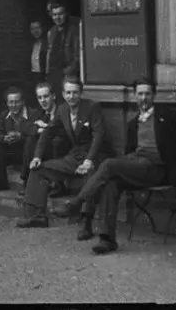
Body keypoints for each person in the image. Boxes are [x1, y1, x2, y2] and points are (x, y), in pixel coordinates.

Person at [51, 78, 176, 255]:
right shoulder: (133, 123)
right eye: (140, 94)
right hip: (138, 167)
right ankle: (107, 239)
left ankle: (76, 203)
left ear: (154, 95)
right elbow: (129, 151)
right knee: (111, 184)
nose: (144, 97)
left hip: (158, 169)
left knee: (109, 164)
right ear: (135, 96)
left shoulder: (168, 115)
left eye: (147, 93)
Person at [16, 76, 114, 242]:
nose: (71, 96)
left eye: (75, 92)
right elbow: (47, 133)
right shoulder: (62, 110)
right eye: (68, 93)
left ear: (80, 93)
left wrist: (89, 160)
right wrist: (37, 157)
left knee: (91, 175)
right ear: (63, 94)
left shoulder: (91, 107)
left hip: (95, 156)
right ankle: (36, 215)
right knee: (39, 170)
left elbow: (98, 135)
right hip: (74, 157)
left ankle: (85, 223)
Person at [23, 82, 69, 196]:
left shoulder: (62, 110)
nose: (43, 100)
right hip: (45, 147)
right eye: (40, 97)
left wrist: (45, 127)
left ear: (53, 96)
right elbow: (26, 127)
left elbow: (64, 131)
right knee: (31, 141)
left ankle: (58, 185)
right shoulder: (40, 112)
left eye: (46, 96)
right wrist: (39, 130)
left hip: (63, 147)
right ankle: (28, 182)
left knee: (56, 142)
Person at [0, 87, 33, 193]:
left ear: (23, 102)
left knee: (30, 145)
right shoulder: (4, 115)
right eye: (11, 102)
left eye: (17, 102)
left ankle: (28, 185)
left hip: (27, 152)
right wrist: (4, 138)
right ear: (7, 103)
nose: (14, 105)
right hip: (12, 151)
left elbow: (34, 134)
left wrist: (20, 136)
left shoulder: (32, 114)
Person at [45, 0, 80, 98]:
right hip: (53, 74)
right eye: (55, 15)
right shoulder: (52, 31)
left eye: (60, 14)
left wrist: (66, 73)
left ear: (65, 14)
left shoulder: (73, 31)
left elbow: (77, 57)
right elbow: (49, 52)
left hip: (66, 75)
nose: (57, 17)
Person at [27, 20, 48, 102]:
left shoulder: (47, 43)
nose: (35, 31)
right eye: (32, 29)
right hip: (33, 76)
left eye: (37, 28)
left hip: (43, 76)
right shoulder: (30, 44)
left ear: (42, 28)